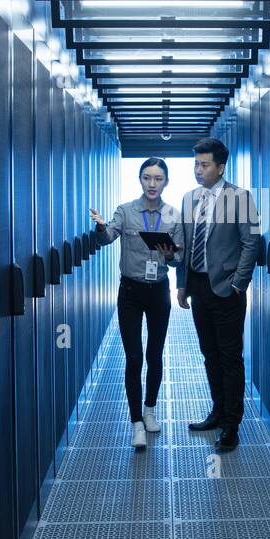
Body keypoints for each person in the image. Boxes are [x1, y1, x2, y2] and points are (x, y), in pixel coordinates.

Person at [90, 158, 184, 450]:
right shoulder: (126, 211)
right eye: (147, 178)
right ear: (140, 180)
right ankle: (136, 424)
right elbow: (107, 238)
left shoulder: (173, 216)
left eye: (158, 179)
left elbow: (179, 259)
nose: (152, 184)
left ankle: (150, 410)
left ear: (166, 182)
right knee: (134, 358)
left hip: (158, 292)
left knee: (155, 354)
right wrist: (101, 227)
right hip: (130, 292)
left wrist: (170, 254)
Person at [176, 137, 260, 451]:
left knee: (229, 357)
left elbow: (252, 243)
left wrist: (239, 284)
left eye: (204, 164)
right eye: (196, 164)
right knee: (210, 354)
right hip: (198, 286)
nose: (198, 170)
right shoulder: (189, 198)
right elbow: (185, 245)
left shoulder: (240, 197)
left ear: (220, 167)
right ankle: (217, 411)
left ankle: (232, 424)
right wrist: (181, 284)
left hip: (227, 290)